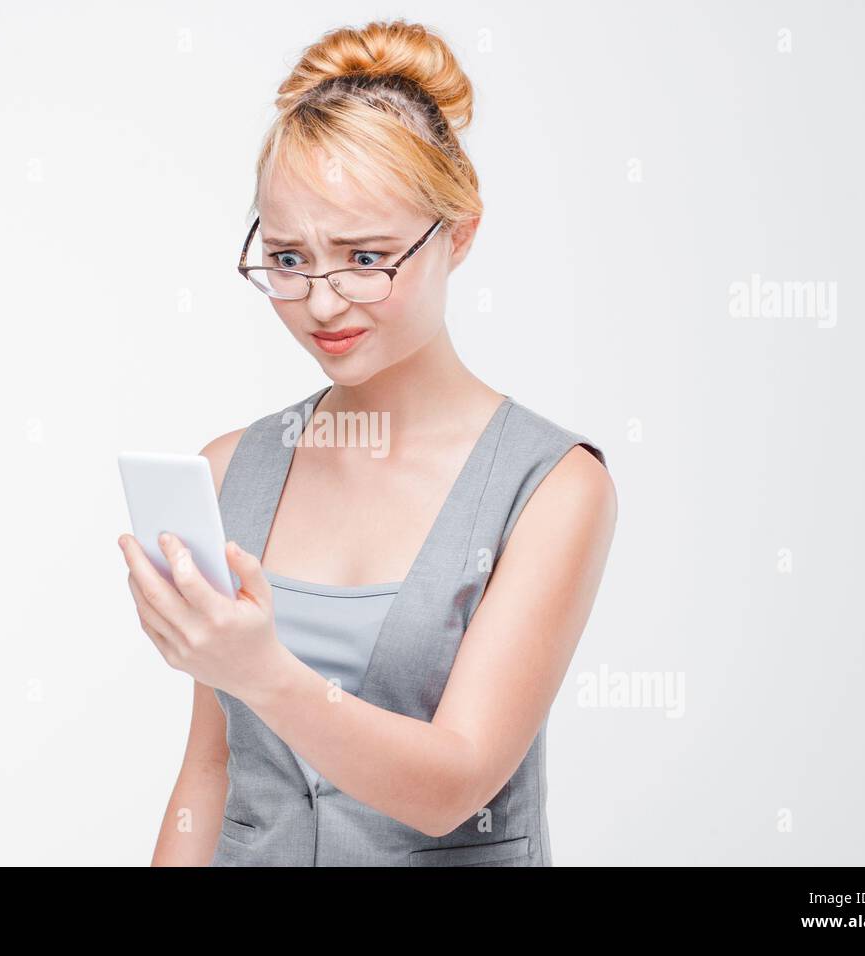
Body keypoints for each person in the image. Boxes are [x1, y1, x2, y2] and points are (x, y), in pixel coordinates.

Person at [119, 18, 617, 866]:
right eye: (287, 258)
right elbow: (207, 771)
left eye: (365, 256)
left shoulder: (553, 487)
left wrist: (263, 671)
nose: (321, 302)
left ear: (459, 234)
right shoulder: (231, 469)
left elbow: (454, 784)